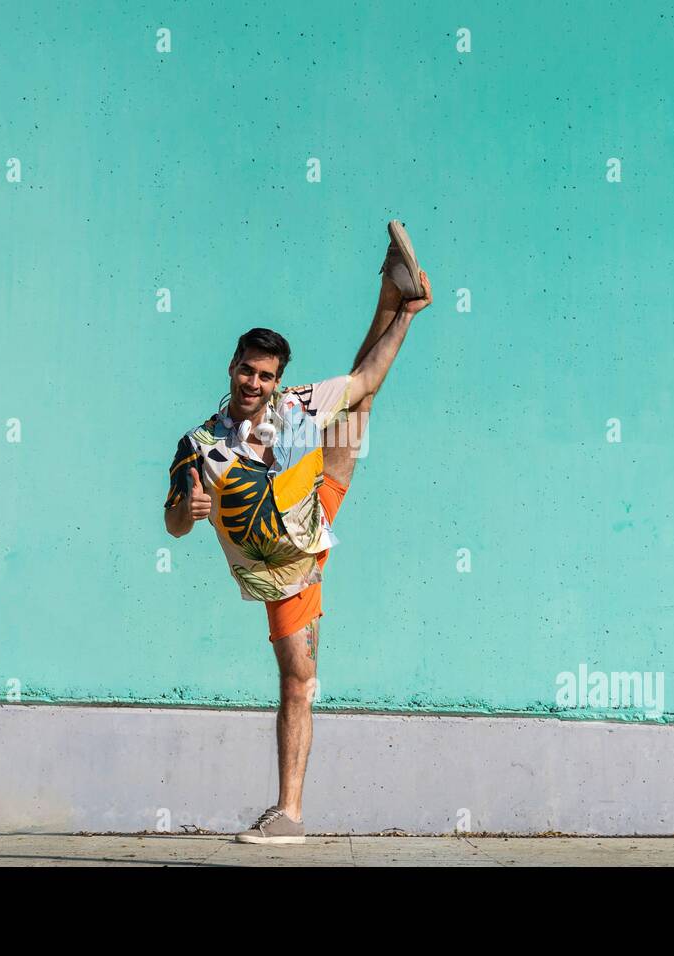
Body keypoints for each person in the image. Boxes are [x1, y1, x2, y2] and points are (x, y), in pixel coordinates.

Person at [163, 220, 432, 844]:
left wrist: (409, 320)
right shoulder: (199, 447)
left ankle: (290, 815)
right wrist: (190, 511)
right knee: (359, 405)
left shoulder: (296, 407)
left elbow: (364, 380)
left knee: (297, 679)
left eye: (265, 375)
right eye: (246, 371)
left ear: (278, 378)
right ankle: (393, 292)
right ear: (231, 367)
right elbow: (173, 525)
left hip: (304, 544)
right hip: (276, 556)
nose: (254, 383)